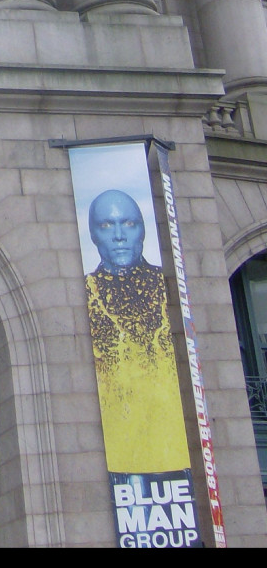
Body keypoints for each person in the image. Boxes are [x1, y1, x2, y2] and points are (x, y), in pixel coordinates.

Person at [84, 189, 189, 473]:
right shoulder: (88, 292)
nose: (119, 235)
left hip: (170, 445)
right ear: (93, 235)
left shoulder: (165, 286)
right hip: (122, 451)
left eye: (129, 223)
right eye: (106, 225)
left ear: (142, 229)